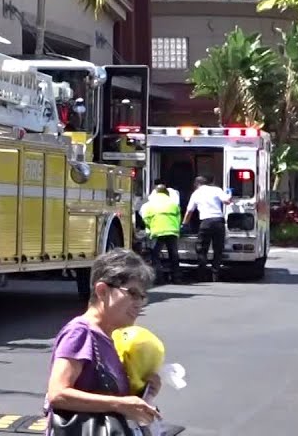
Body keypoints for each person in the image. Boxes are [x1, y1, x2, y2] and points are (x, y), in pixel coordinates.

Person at [45, 249, 161, 432]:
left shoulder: (109, 336)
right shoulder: (80, 333)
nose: (139, 303)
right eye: (132, 293)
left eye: (142, 296)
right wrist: (120, 404)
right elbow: (58, 394)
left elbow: (104, 393)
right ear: (102, 291)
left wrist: (144, 393)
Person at [184, 175, 232, 281]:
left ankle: (202, 274)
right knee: (218, 249)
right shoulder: (216, 190)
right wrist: (229, 194)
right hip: (218, 221)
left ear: (197, 184)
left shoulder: (196, 193)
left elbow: (189, 211)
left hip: (205, 223)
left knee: (201, 249)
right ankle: (215, 274)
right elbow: (227, 201)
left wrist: (184, 224)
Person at [139, 183, 182, 283]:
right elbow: (178, 218)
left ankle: (159, 277)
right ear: (166, 192)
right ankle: (176, 277)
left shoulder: (150, 204)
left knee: (155, 254)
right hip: (172, 231)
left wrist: (150, 228)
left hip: (157, 232)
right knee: (174, 255)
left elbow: (146, 218)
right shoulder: (173, 204)